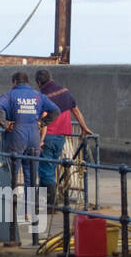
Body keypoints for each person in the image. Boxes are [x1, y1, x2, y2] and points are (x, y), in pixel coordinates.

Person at [0, 71, 60, 197]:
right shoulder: (38, 95)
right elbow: (56, 110)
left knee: (11, 173)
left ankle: (9, 207)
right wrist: (42, 123)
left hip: (16, 136)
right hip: (34, 136)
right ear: (28, 82)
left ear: (14, 82)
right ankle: (30, 210)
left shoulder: (10, 95)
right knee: (31, 174)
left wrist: (6, 125)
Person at [35, 69, 94, 201]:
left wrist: (40, 139)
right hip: (62, 136)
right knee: (50, 168)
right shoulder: (64, 91)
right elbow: (76, 111)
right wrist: (84, 127)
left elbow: (43, 118)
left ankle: (51, 203)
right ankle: (44, 201)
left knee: (45, 171)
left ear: (39, 82)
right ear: (51, 78)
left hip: (48, 136)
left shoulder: (42, 96)